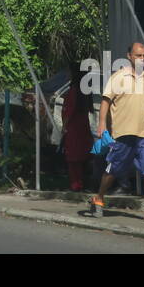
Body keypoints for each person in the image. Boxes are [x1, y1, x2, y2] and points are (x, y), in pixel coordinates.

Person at [90, 42, 144, 222]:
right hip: (123, 133)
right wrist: (102, 125)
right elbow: (106, 101)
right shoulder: (119, 76)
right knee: (113, 169)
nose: (141, 59)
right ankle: (98, 198)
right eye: (138, 56)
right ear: (129, 56)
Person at [61, 62, 93, 191]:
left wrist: (64, 126)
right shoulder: (84, 91)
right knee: (81, 157)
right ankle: (81, 183)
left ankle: (76, 185)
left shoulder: (74, 90)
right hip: (83, 126)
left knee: (73, 158)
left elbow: (69, 110)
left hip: (74, 128)